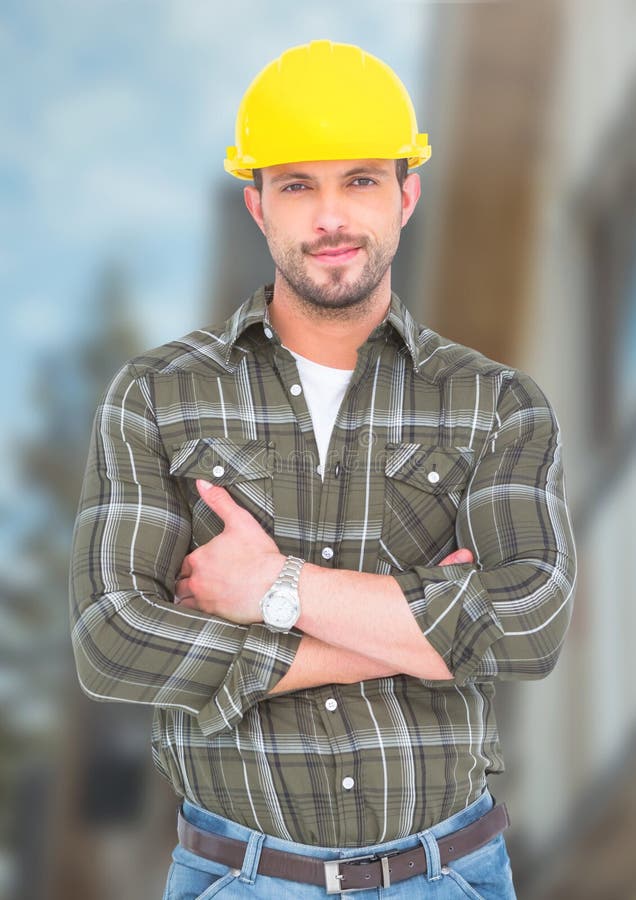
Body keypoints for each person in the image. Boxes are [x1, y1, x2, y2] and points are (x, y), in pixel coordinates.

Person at [69, 40, 576, 899]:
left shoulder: (497, 403)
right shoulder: (157, 395)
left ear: (406, 195)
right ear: (257, 206)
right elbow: (112, 638)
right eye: (297, 185)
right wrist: (411, 639)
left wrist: (279, 590)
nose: (331, 215)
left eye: (361, 181)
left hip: (450, 876)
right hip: (238, 877)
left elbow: (529, 622)